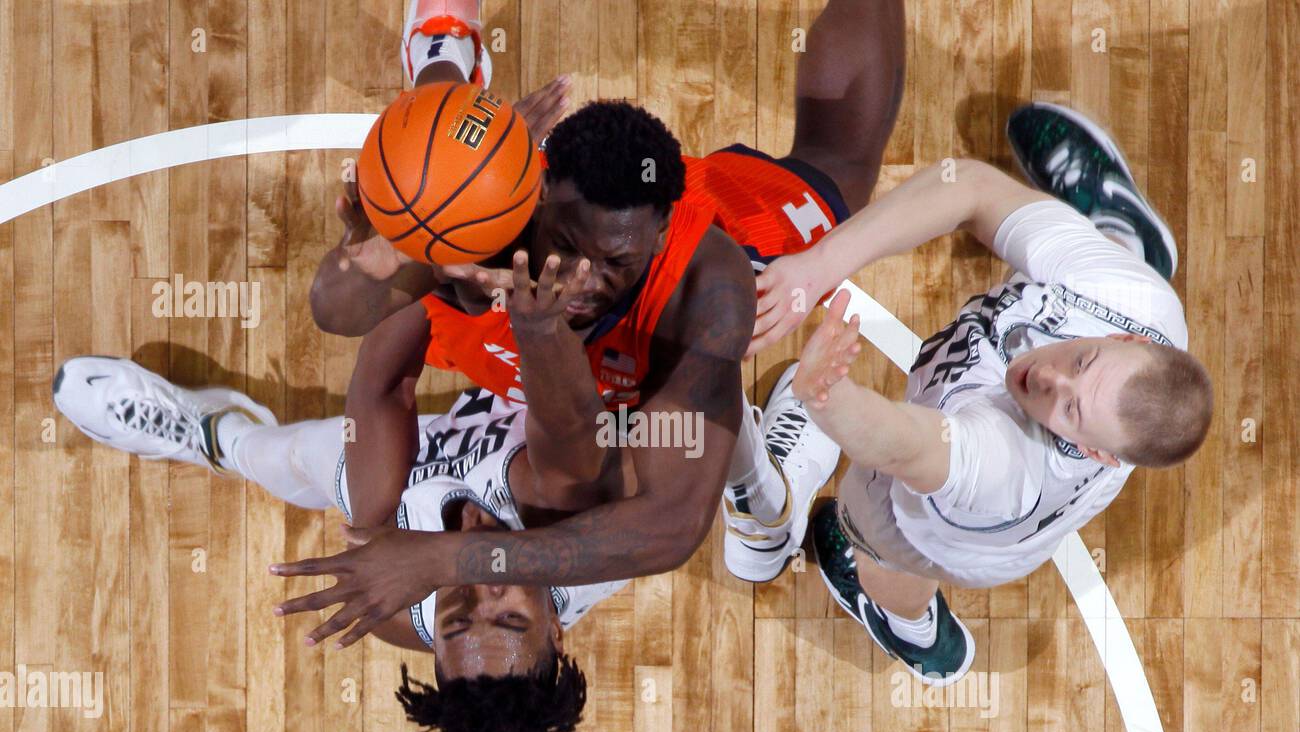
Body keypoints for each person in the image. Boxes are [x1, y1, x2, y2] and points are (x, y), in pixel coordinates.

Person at [273, 0, 907, 643]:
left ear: (665, 232)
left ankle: (447, 78)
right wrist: (396, 244)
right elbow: (336, 307)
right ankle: (449, 83)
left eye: (613, 263)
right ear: (538, 200)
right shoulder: (494, 225)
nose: (582, 278)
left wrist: (439, 558)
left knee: (841, 173)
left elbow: (670, 521)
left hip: (608, 354)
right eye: (568, 248)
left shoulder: (707, 287)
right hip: (537, 337)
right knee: (439, 184)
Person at [50, 326, 628, 732]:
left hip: (439, 449)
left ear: (434, 642)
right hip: (573, 405)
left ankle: (215, 435)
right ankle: (727, 486)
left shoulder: (402, 615)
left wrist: (420, 247)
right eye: (508, 616)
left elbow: (385, 373)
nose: (478, 590)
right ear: (554, 626)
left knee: (306, 458)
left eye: (455, 620)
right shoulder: (573, 510)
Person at [764, 103, 1213, 686]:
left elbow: (898, 446)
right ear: (1124, 335)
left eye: (1070, 408)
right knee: (1122, 276)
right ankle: (1123, 234)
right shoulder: (1146, 309)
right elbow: (971, 188)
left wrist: (824, 393)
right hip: (1119, 313)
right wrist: (817, 266)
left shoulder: (1005, 468)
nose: (1048, 378)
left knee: (870, 529)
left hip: (949, 529)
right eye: (1082, 359)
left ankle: (912, 630)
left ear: (1099, 453)